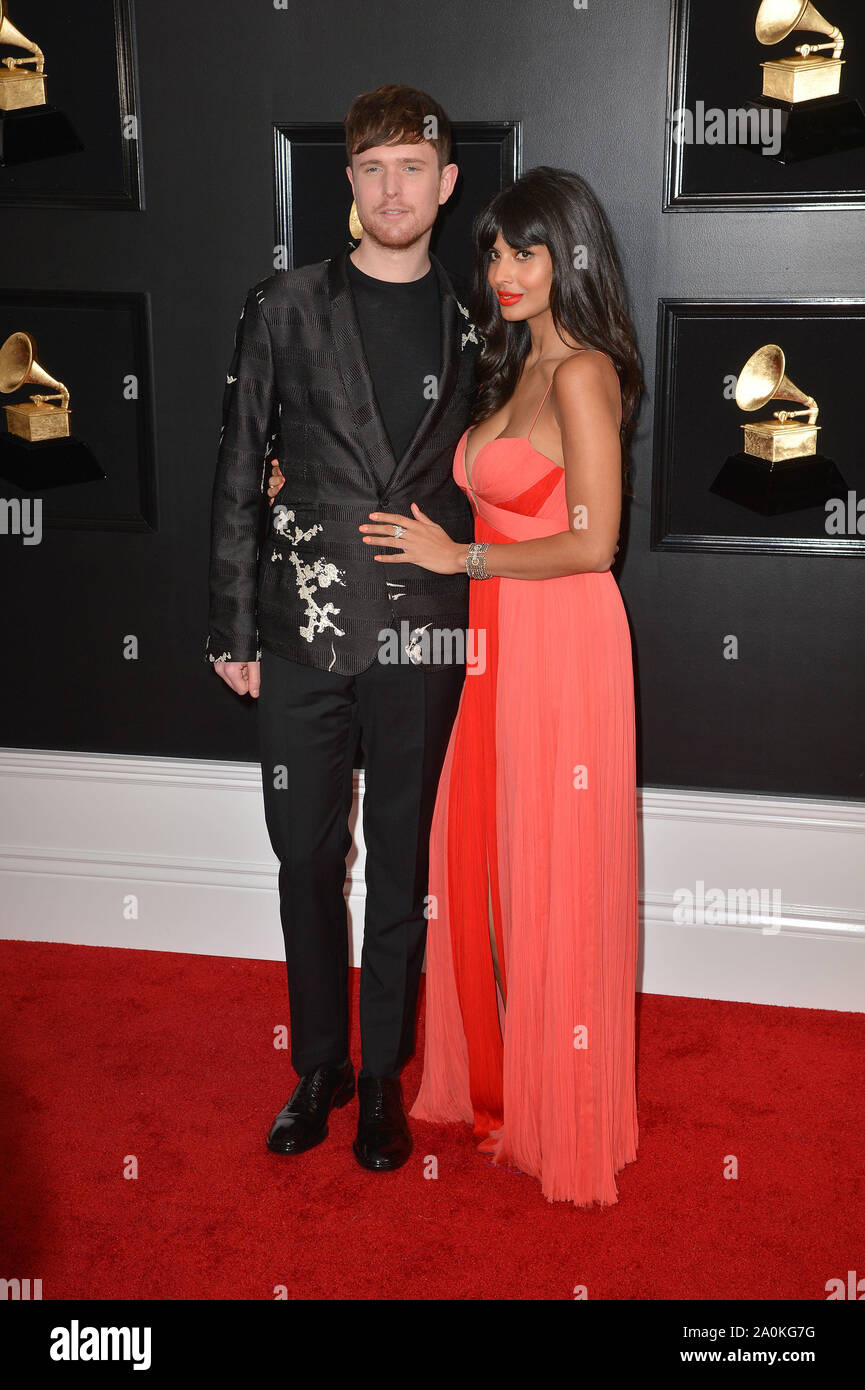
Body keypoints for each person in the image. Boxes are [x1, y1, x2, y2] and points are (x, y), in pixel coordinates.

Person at [304, 165, 643, 1207]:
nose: (501, 270)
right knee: (481, 857)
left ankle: (564, 1106)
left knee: (551, 870)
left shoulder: (582, 371)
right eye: (492, 250)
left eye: (525, 252)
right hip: (493, 643)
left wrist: (466, 562)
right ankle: (499, 1075)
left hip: (561, 641)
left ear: (570, 257)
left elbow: (594, 542)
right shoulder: (505, 366)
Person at [205, 85, 481, 1172]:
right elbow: (239, 464)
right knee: (305, 859)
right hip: (300, 630)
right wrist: (230, 619)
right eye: (371, 168)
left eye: (411, 167)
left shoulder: (480, 325)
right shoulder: (281, 305)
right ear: (349, 183)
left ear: (446, 183)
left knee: (400, 865)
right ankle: (316, 1062)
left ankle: (380, 1081)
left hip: (424, 635)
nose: (391, 187)